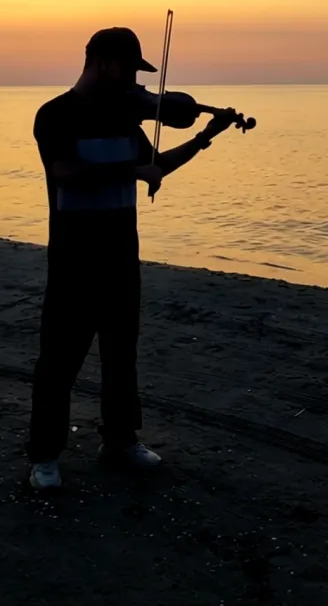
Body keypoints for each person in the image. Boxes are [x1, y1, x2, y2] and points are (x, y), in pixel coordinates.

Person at [29, 26, 235, 490]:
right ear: (102, 62)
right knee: (58, 360)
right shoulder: (55, 115)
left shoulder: (126, 118)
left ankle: (120, 441)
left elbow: (155, 167)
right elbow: (65, 173)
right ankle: (44, 455)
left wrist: (205, 136)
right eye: (128, 70)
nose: (133, 83)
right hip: (73, 259)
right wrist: (129, 169)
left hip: (121, 255)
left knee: (121, 355)